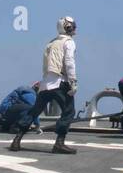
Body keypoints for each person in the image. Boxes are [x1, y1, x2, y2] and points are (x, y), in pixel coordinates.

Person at [10, 17, 78, 154]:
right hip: (60, 82)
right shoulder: (69, 42)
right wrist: (73, 81)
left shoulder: (50, 43)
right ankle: (59, 143)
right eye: (72, 26)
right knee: (69, 111)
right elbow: (69, 62)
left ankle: (16, 140)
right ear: (68, 27)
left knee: (34, 111)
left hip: (45, 84)